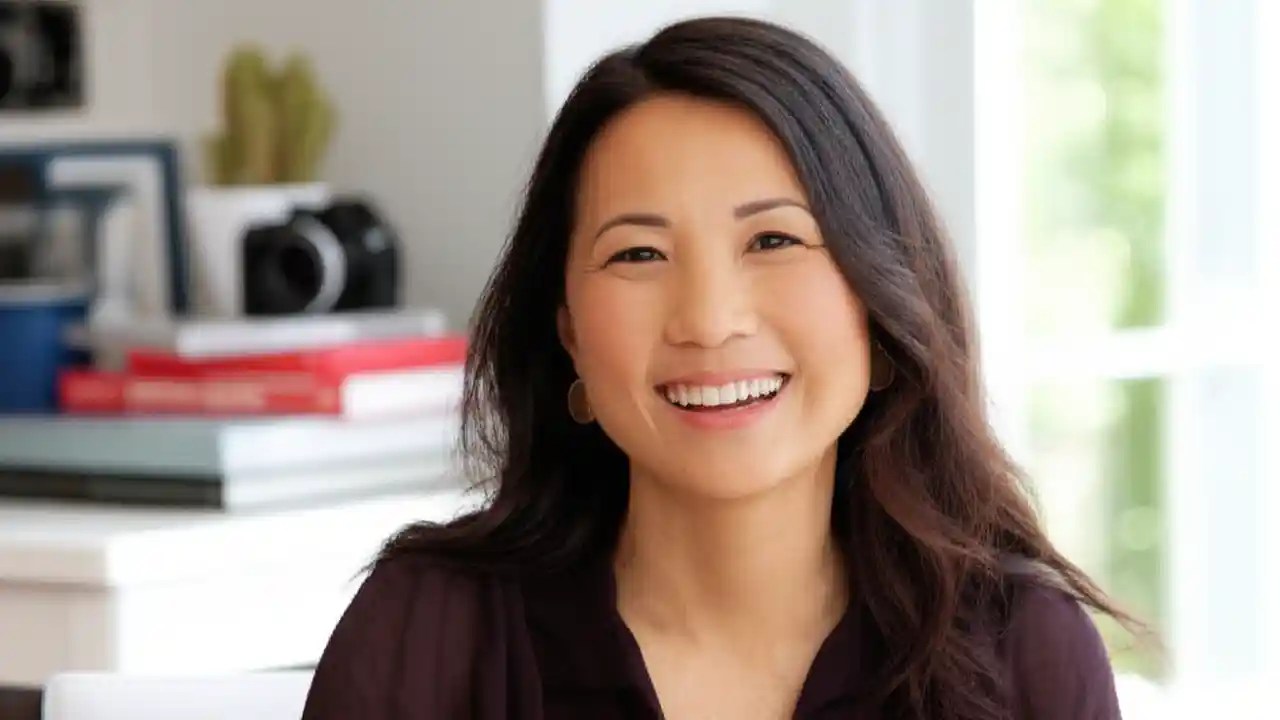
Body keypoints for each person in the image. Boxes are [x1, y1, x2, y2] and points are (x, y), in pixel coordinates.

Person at [301, 15, 1135, 720]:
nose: (708, 320)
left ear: (883, 312)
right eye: (638, 253)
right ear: (569, 338)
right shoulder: (430, 640)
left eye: (773, 240)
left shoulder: (1026, 657)